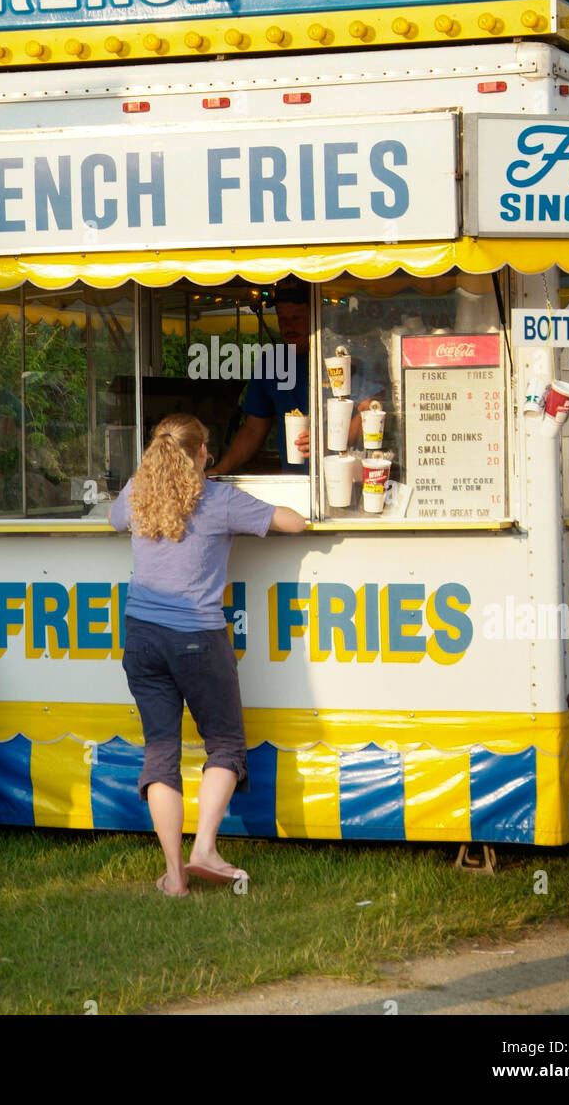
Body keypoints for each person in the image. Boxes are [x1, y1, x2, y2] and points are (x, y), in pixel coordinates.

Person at [109, 413, 306, 897]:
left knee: (161, 751)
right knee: (224, 745)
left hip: (141, 636)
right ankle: (205, 850)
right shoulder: (218, 499)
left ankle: (174, 875)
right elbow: (294, 523)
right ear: (201, 454)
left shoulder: (138, 492)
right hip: (197, 636)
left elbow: (113, 519)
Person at [208, 276, 384, 477]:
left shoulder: (341, 357)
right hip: (295, 482)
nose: (289, 326)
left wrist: (329, 441)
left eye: (297, 317)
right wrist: (220, 470)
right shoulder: (271, 362)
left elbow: (370, 410)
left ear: (317, 315)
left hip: (345, 478)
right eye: (282, 318)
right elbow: (254, 428)